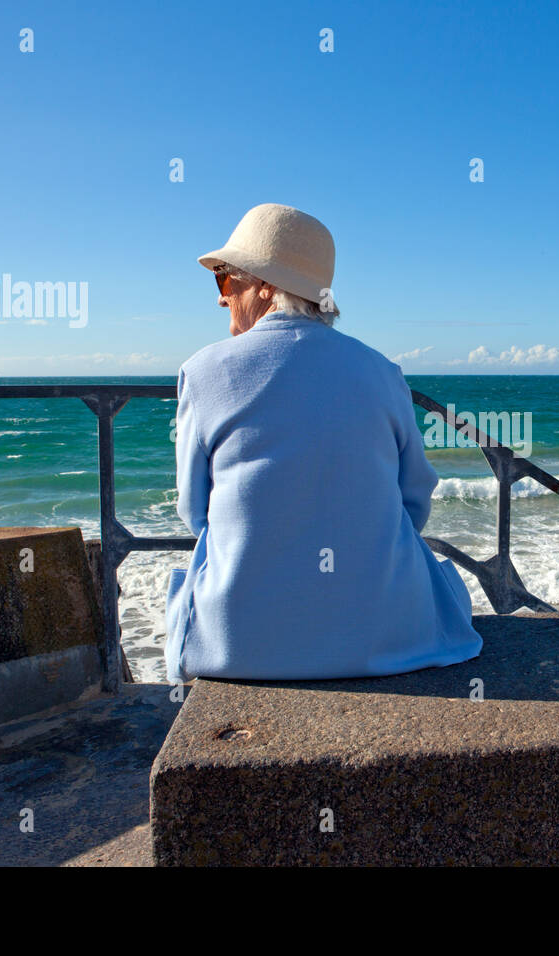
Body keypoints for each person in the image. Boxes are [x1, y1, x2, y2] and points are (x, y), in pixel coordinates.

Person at [164, 203, 482, 681]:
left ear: (265, 285)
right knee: (441, 588)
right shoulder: (383, 372)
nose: (221, 297)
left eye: (226, 280)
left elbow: (195, 512)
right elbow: (415, 499)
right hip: (390, 634)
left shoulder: (203, 372)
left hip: (240, 644)